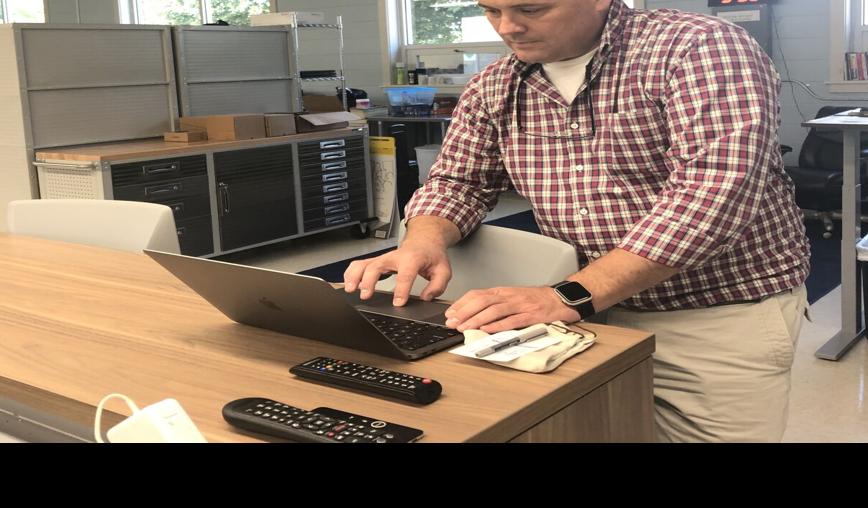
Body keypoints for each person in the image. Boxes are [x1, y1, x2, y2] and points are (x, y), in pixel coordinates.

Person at [343, 0, 809, 442]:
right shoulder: (495, 85)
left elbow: (713, 194)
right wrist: (423, 239)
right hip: (580, 318)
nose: (507, 27)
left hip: (711, 314)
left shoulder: (698, 48)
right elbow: (458, 181)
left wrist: (569, 294)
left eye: (531, 8)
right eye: (492, 10)